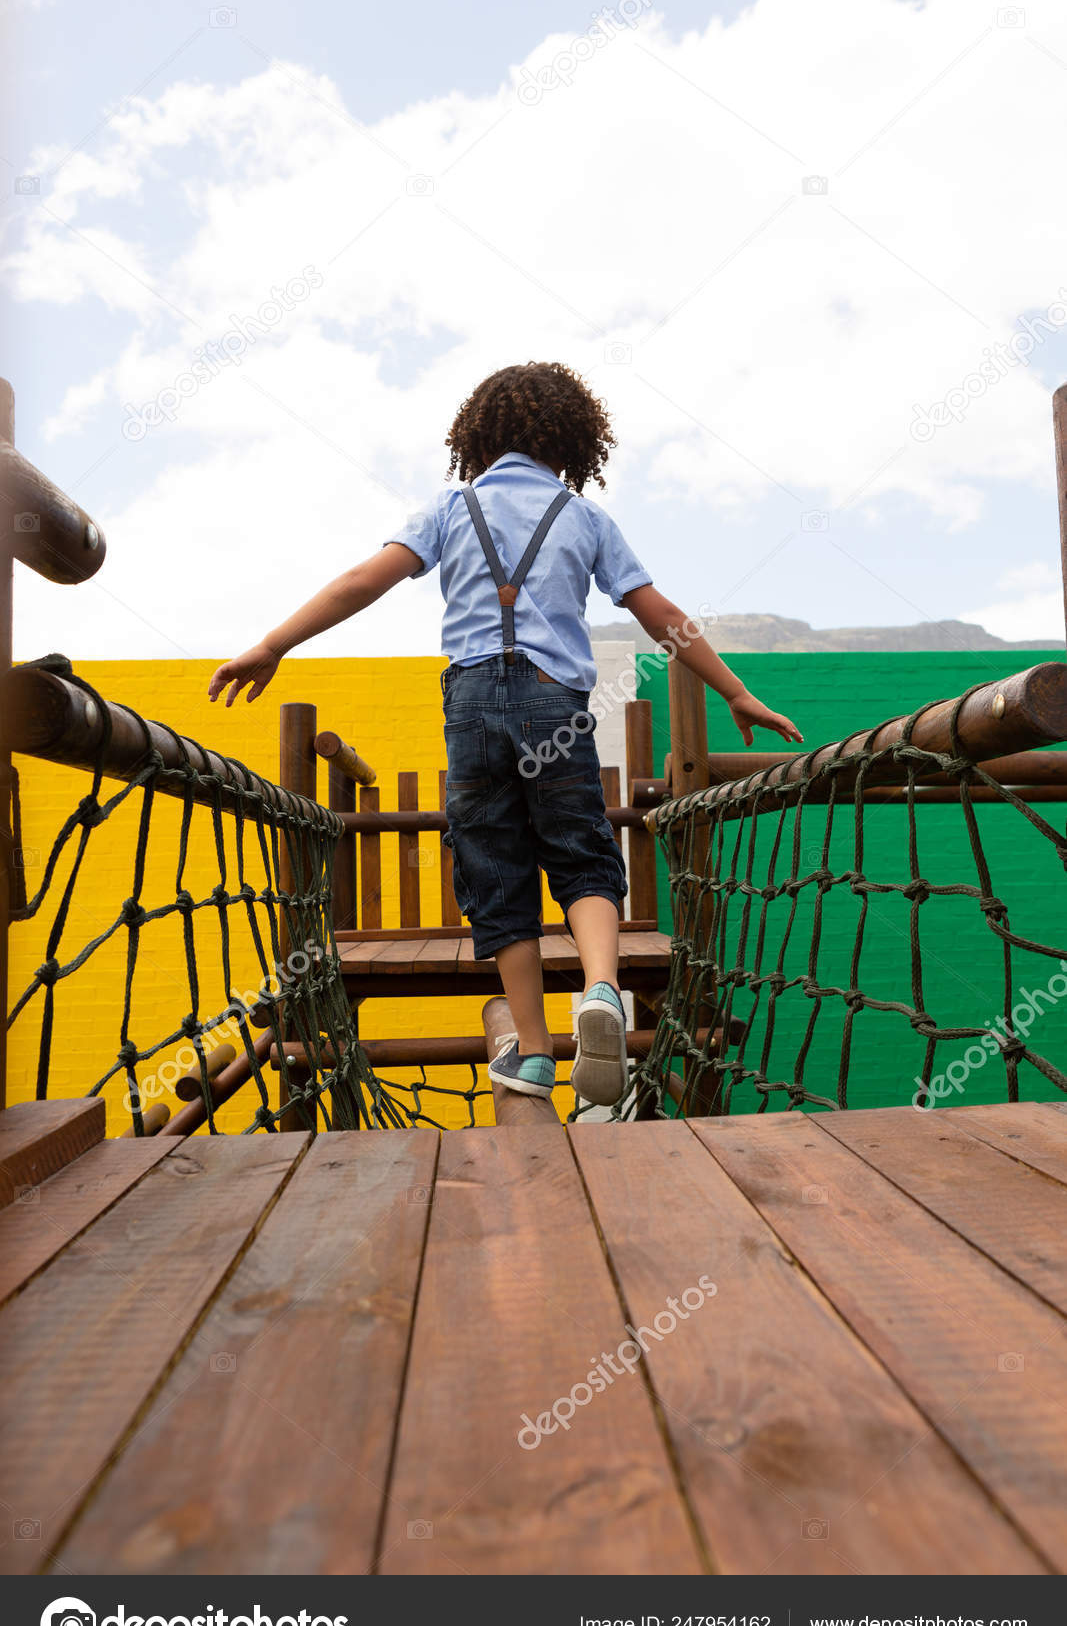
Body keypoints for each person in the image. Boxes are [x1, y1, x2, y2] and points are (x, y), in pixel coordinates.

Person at [208, 361, 802, 1109]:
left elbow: (362, 581)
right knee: (581, 850)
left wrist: (273, 643)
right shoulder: (583, 518)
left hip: (472, 705)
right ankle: (601, 992)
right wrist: (736, 691)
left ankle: (529, 1052)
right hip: (553, 700)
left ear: (479, 437)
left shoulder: (450, 508)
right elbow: (660, 615)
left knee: (494, 868)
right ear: (574, 442)